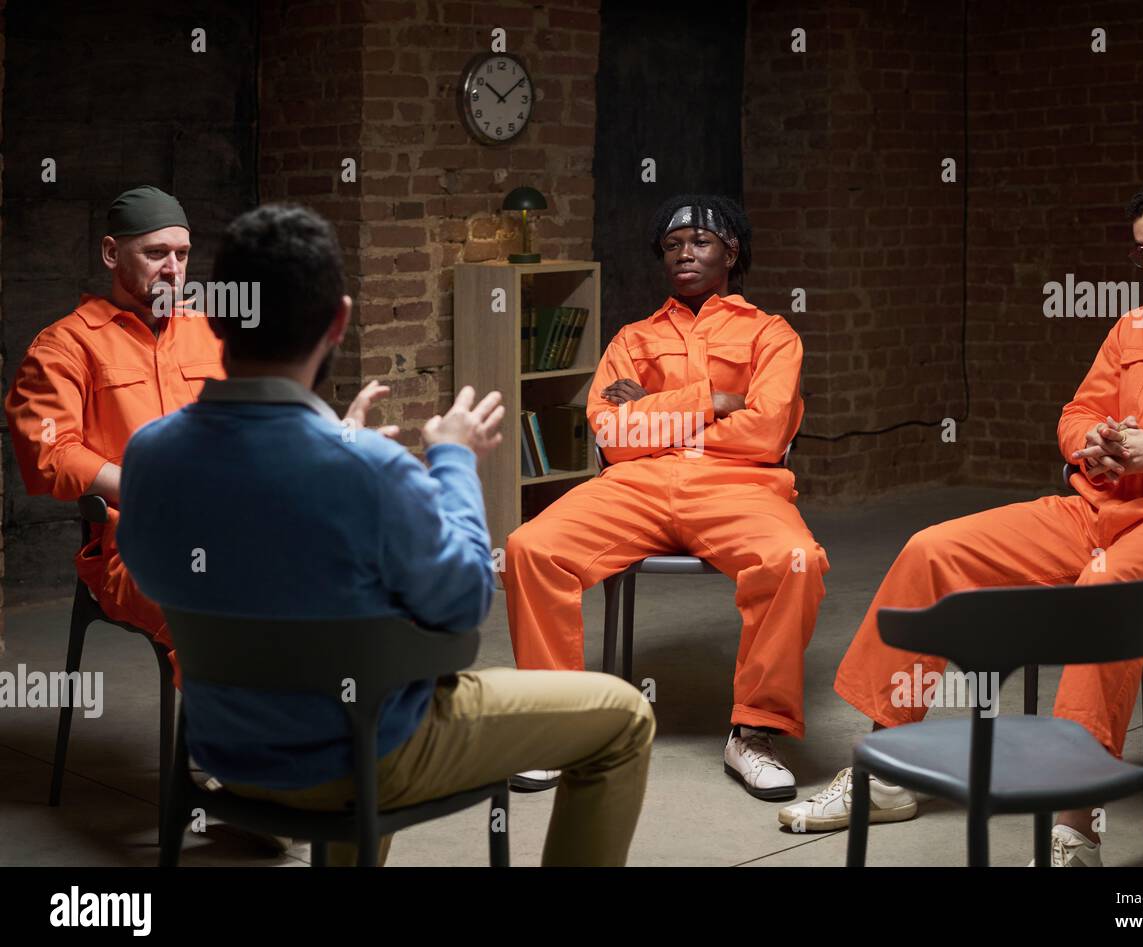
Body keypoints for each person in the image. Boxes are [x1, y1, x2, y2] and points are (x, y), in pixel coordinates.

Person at [784, 171, 1143, 865]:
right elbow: (1077, 412)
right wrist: (1086, 445)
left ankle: (1074, 827)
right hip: (1095, 509)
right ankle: (888, 771)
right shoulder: (1135, 325)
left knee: (1106, 593)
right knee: (934, 548)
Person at [116, 203, 655, 866]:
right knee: (625, 717)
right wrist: (451, 462)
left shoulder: (150, 453)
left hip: (224, 751)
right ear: (339, 320)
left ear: (217, 317)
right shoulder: (371, 472)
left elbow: (160, 575)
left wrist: (345, 461)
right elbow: (461, 609)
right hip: (359, 760)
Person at [504, 194, 828, 800]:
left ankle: (754, 733)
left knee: (795, 561)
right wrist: (713, 401)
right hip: (636, 487)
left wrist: (649, 411)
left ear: (731, 252)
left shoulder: (772, 335)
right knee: (530, 547)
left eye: (701, 241)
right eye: (673, 245)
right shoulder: (633, 338)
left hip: (739, 487)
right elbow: (610, 433)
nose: (684, 253)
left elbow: (765, 433)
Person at [5, 185, 222, 676]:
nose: (173, 268)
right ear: (111, 253)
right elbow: (50, 454)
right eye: (155, 253)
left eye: (182, 254)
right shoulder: (64, 346)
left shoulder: (206, 332)